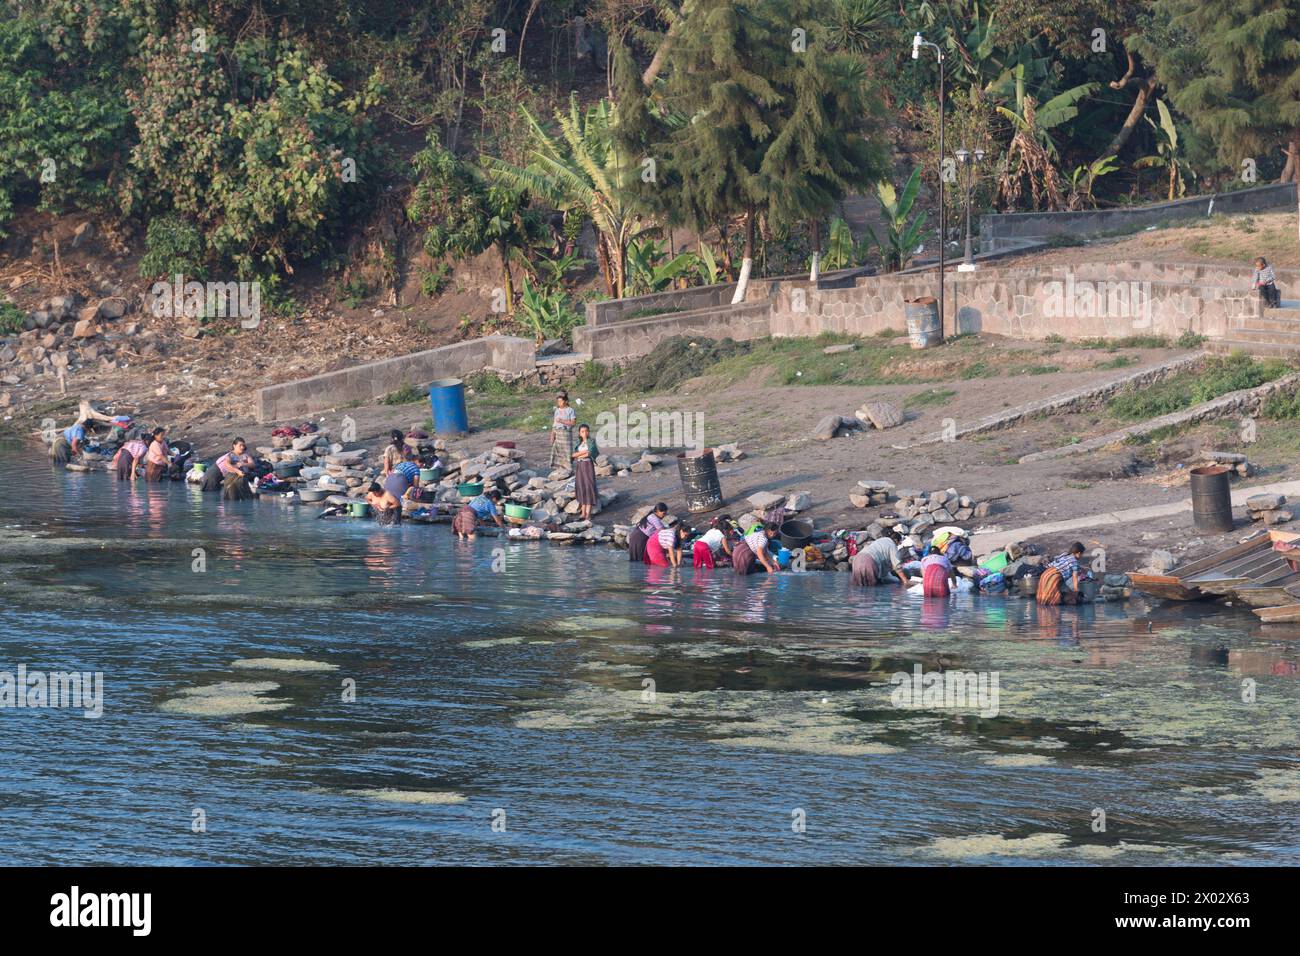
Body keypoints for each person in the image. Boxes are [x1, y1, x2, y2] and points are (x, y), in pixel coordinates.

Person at [1038, 541, 1086, 606]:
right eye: (1082, 554)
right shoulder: (1074, 561)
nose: (1081, 556)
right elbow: (1075, 576)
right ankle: (1051, 614)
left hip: (1045, 574)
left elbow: (1057, 562)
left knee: (1044, 599)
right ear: (1079, 553)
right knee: (1053, 601)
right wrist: (1076, 590)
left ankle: (1042, 612)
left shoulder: (1065, 554)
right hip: (1053, 576)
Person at [571, 423, 599, 522]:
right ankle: (583, 513)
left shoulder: (591, 441)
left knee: (589, 486)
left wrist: (579, 455)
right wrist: (583, 453)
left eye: (586, 431)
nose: (584, 433)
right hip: (579, 466)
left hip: (588, 466)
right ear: (579, 433)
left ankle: (588, 514)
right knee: (581, 486)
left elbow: (590, 453)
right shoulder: (578, 443)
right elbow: (573, 455)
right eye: (582, 431)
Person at [550, 391, 576, 469]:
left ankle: (568, 468)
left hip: (566, 434)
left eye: (561, 401)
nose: (559, 403)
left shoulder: (570, 410)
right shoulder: (557, 411)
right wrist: (552, 435)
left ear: (565, 401)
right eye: (558, 401)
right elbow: (554, 424)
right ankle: (559, 468)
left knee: (567, 452)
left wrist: (562, 421)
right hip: (558, 434)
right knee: (558, 451)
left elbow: (573, 423)